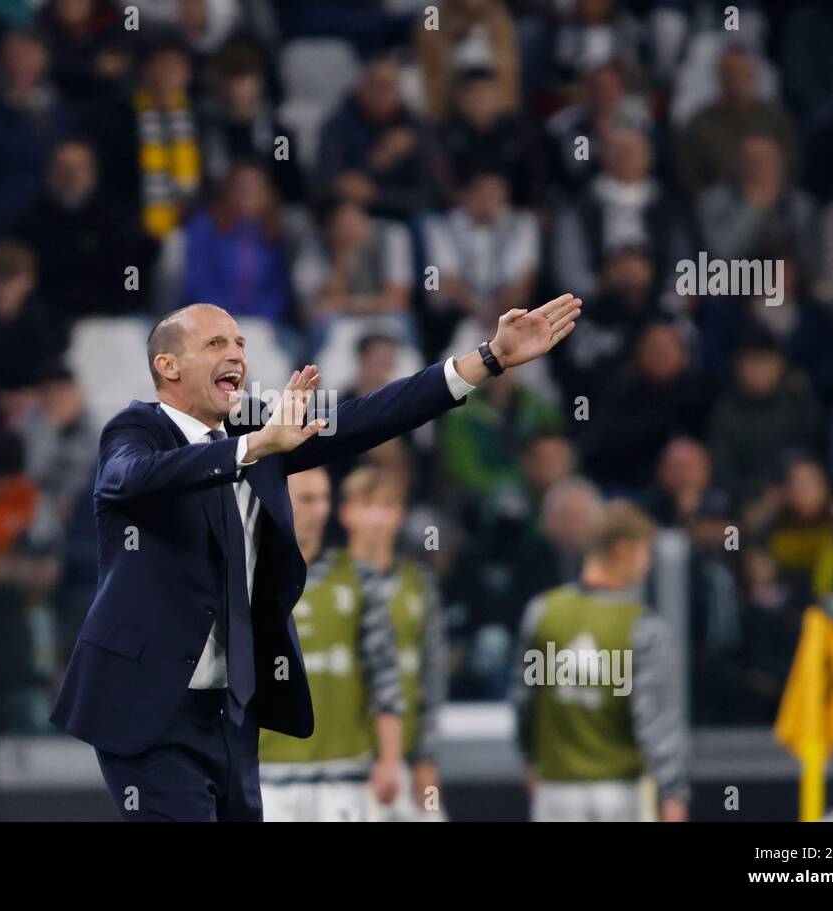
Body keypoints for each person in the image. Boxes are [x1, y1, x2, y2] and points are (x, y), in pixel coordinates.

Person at [50, 292, 582, 821]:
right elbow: (130, 477)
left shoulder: (256, 427)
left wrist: (486, 359)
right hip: (148, 705)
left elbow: (368, 417)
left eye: (239, 342)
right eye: (215, 343)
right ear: (168, 365)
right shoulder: (138, 429)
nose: (235, 353)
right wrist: (256, 446)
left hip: (230, 711)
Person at [508, 500, 688, 822]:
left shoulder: (543, 613)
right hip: (621, 791)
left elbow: (525, 700)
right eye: (645, 552)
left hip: (555, 791)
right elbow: (656, 723)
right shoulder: (643, 628)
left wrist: (529, 758)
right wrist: (671, 792)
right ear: (622, 549)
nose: (647, 565)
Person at [257, 467, 404, 822]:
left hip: (344, 773)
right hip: (267, 772)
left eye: (325, 499)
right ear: (280, 503)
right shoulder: (250, 577)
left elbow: (384, 674)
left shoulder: (359, 577)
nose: (320, 509)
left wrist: (390, 759)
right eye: (308, 499)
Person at [340, 466, 450, 822]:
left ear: (400, 515)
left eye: (387, 506)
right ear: (346, 513)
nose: (377, 517)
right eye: (367, 505)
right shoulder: (325, 583)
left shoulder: (420, 584)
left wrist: (426, 758)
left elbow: (432, 674)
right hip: (346, 764)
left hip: (408, 761)